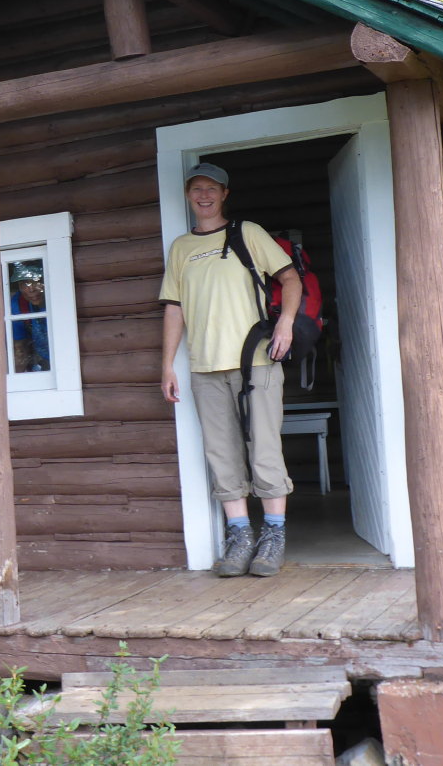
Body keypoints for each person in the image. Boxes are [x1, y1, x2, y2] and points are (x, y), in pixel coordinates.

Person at [160, 162, 302, 577]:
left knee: (264, 447)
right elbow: (174, 307)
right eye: (196, 189)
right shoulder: (181, 248)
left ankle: (273, 535)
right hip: (206, 367)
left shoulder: (247, 233)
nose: (203, 195)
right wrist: (167, 364)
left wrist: (286, 323)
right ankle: (239, 536)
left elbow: (290, 279)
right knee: (221, 453)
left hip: (255, 359)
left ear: (225, 193)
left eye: (211, 189)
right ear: (188, 195)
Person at [9, 261, 50, 372]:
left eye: (37, 281)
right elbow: (19, 347)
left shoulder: (60, 296)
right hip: (42, 362)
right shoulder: (18, 304)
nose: (31, 289)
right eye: (25, 283)